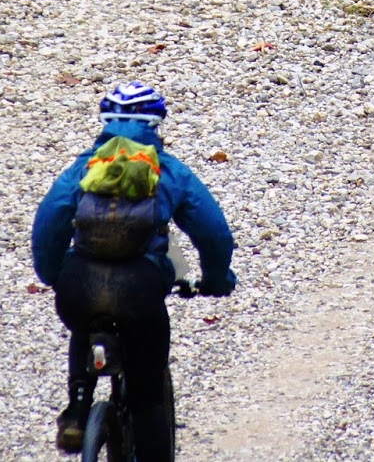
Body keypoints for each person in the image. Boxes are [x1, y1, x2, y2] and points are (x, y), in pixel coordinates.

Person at [31, 82, 236, 458]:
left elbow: (49, 224)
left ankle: (78, 408)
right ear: (157, 125)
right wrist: (216, 281)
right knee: (147, 398)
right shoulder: (169, 171)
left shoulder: (84, 168)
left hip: (79, 286)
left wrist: (53, 275)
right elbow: (214, 234)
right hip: (139, 293)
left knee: (85, 324)